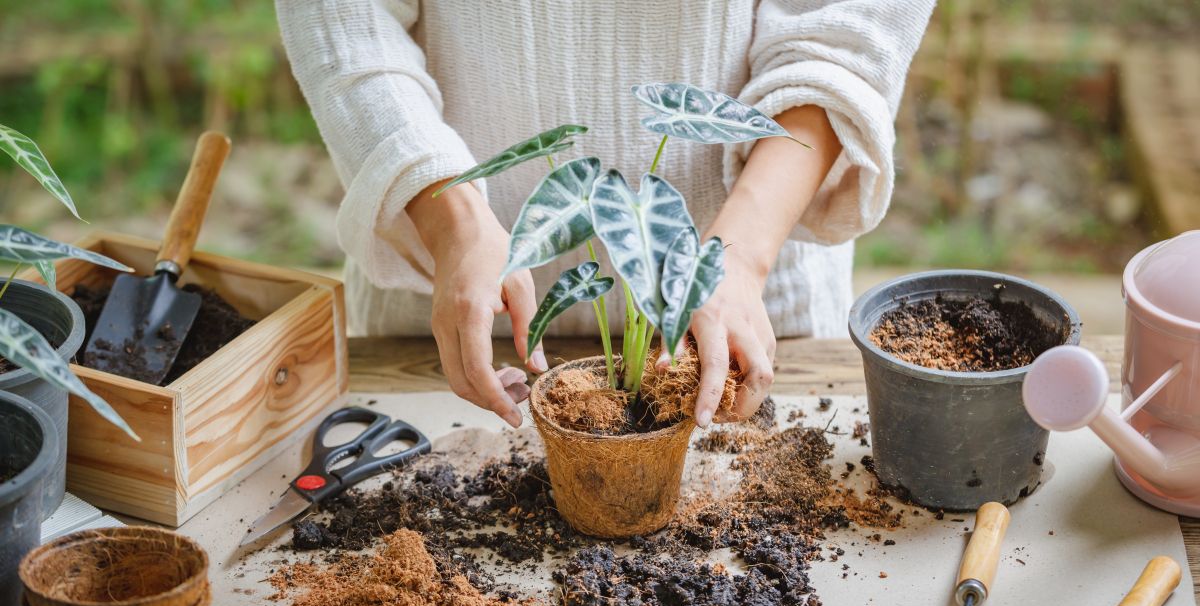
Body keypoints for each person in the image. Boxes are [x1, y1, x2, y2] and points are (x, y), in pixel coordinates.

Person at [277, 0, 935, 428]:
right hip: (454, 327)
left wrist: (737, 260)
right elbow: (345, 24)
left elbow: (844, 37)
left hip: (743, 327)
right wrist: (454, 223)